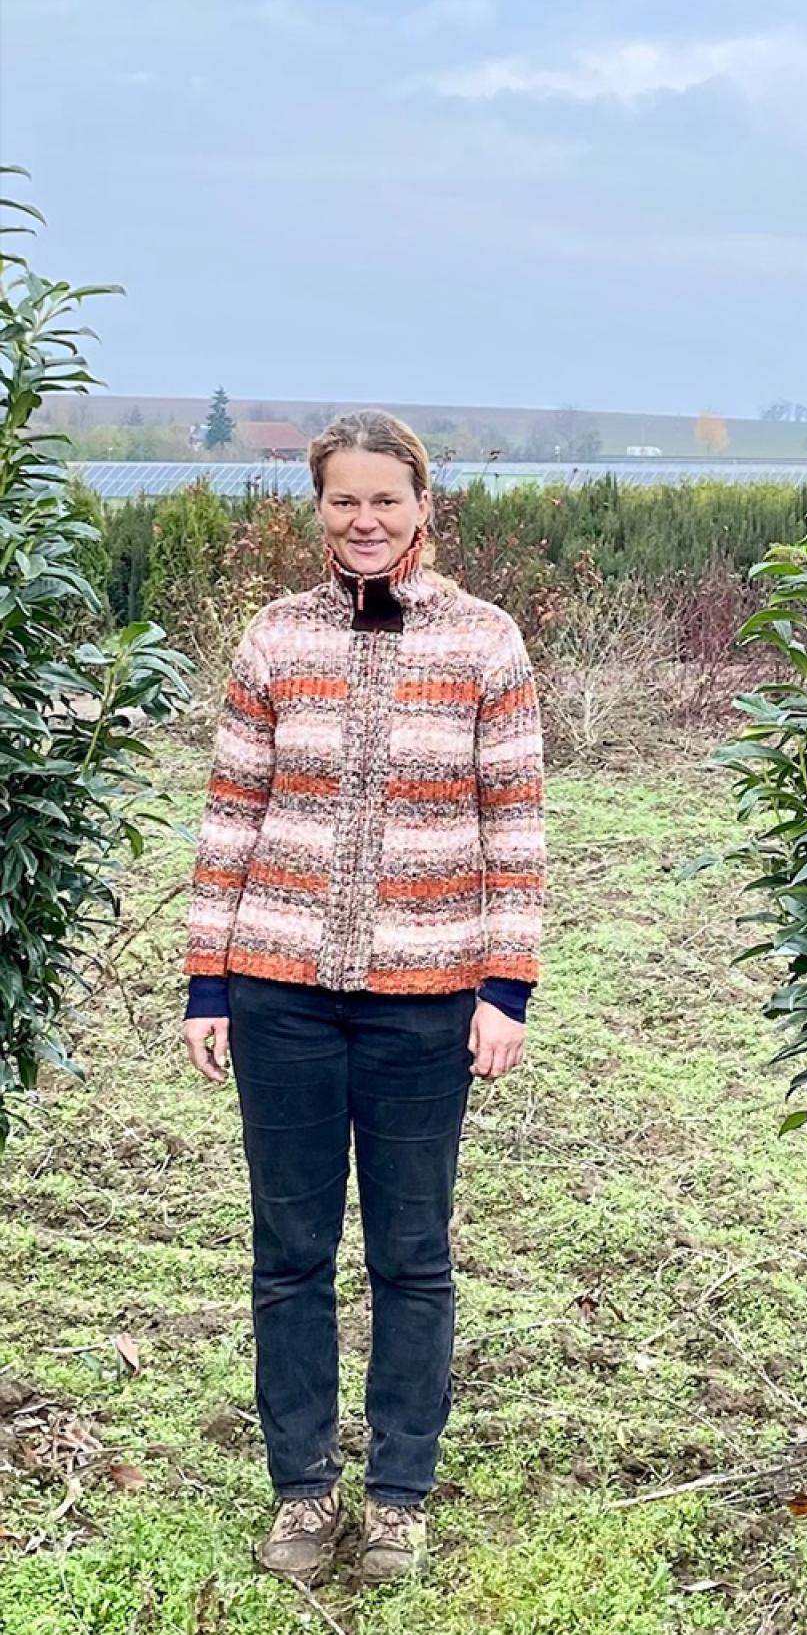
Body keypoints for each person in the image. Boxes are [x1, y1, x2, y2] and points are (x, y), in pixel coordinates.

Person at [179, 409, 546, 1587]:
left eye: (386, 499)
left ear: (423, 505)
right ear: (318, 507)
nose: (365, 520)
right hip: (277, 988)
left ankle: (396, 1495)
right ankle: (301, 1488)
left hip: (425, 997)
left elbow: (517, 827)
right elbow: (231, 812)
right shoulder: (274, 637)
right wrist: (206, 979)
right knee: (288, 1249)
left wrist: (506, 985)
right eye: (344, 499)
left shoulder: (487, 642)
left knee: (410, 1251)